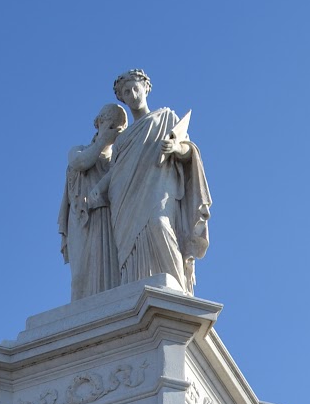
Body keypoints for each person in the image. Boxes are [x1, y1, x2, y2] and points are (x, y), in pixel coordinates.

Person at [87, 68, 211, 294]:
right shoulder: (122, 140)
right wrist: (99, 187)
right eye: (126, 92)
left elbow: (187, 151)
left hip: (158, 183)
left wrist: (176, 148)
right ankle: (133, 291)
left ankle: (177, 289)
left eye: (135, 88)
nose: (132, 95)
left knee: (159, 223)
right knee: (130, 247)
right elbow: (116, 171)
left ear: (146, 88)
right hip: (125, 197)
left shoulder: (165, 118)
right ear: (122, 99)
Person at [58, 103, 128, 300]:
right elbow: (81, 163)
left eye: (117, 126)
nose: (112, 128)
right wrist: (102, 142)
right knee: (79, 276)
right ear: (98, 123)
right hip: (81, 219)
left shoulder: (118, 160)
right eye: (108, 122)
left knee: (110, 273)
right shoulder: (78, 150)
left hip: (108, 218)